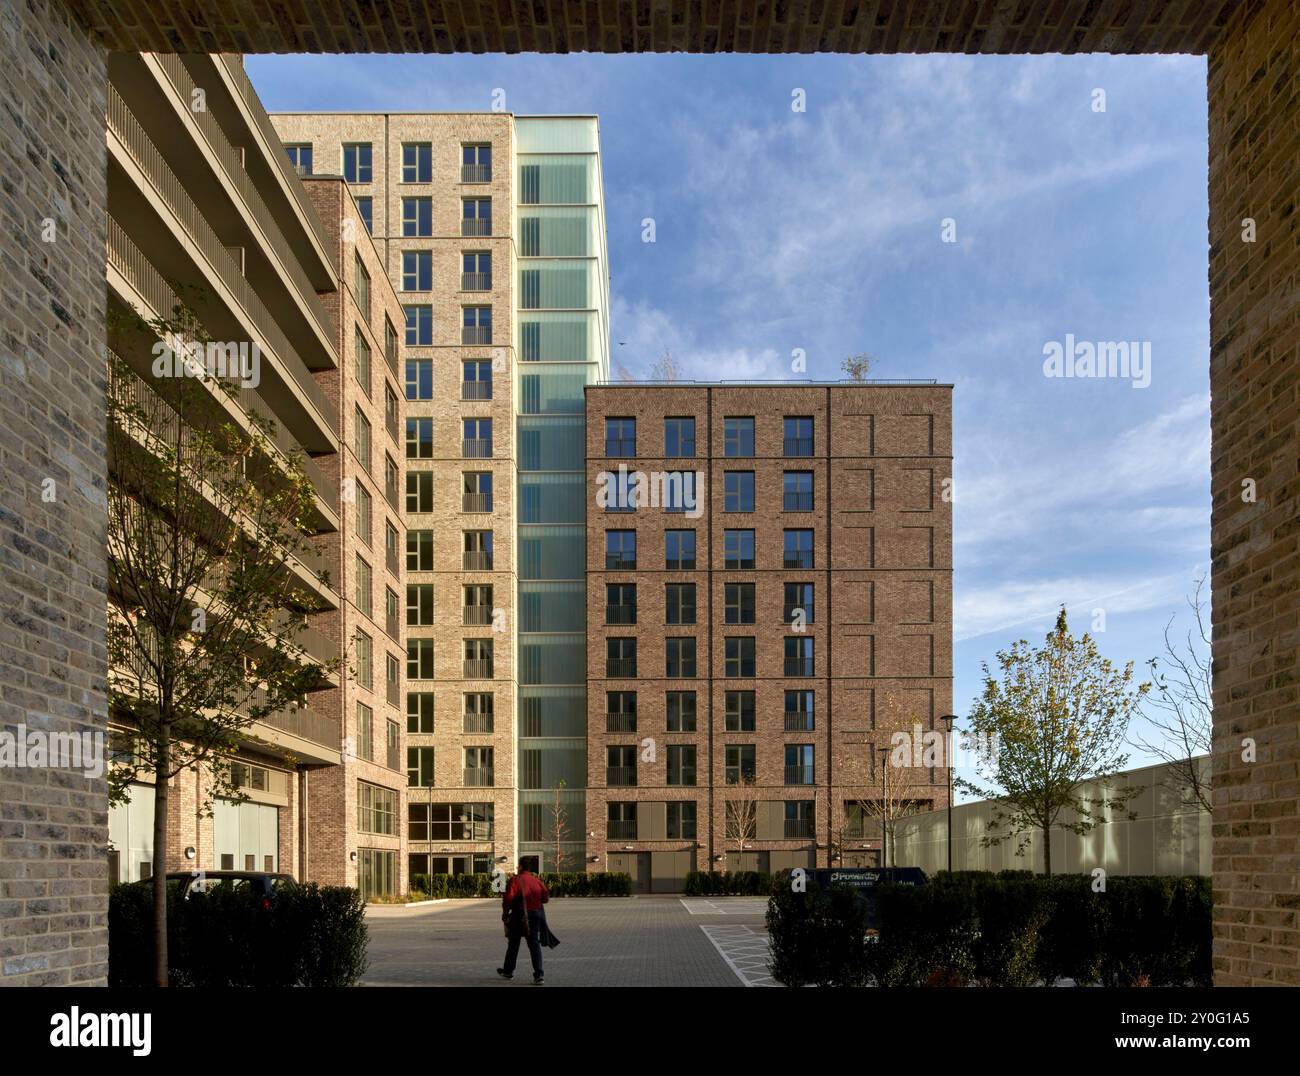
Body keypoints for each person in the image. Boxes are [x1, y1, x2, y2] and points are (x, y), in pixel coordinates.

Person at [498, 860, 550, 984]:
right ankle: (539, 975)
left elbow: (508, 900)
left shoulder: (515, 880)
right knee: (534, 944)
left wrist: (505, 915)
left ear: (521, 866)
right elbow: (545, 898)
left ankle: (508, 971)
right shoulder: (536, 880)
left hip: (519, 916)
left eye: (518, 865)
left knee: (513, 944)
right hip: (535, 916)